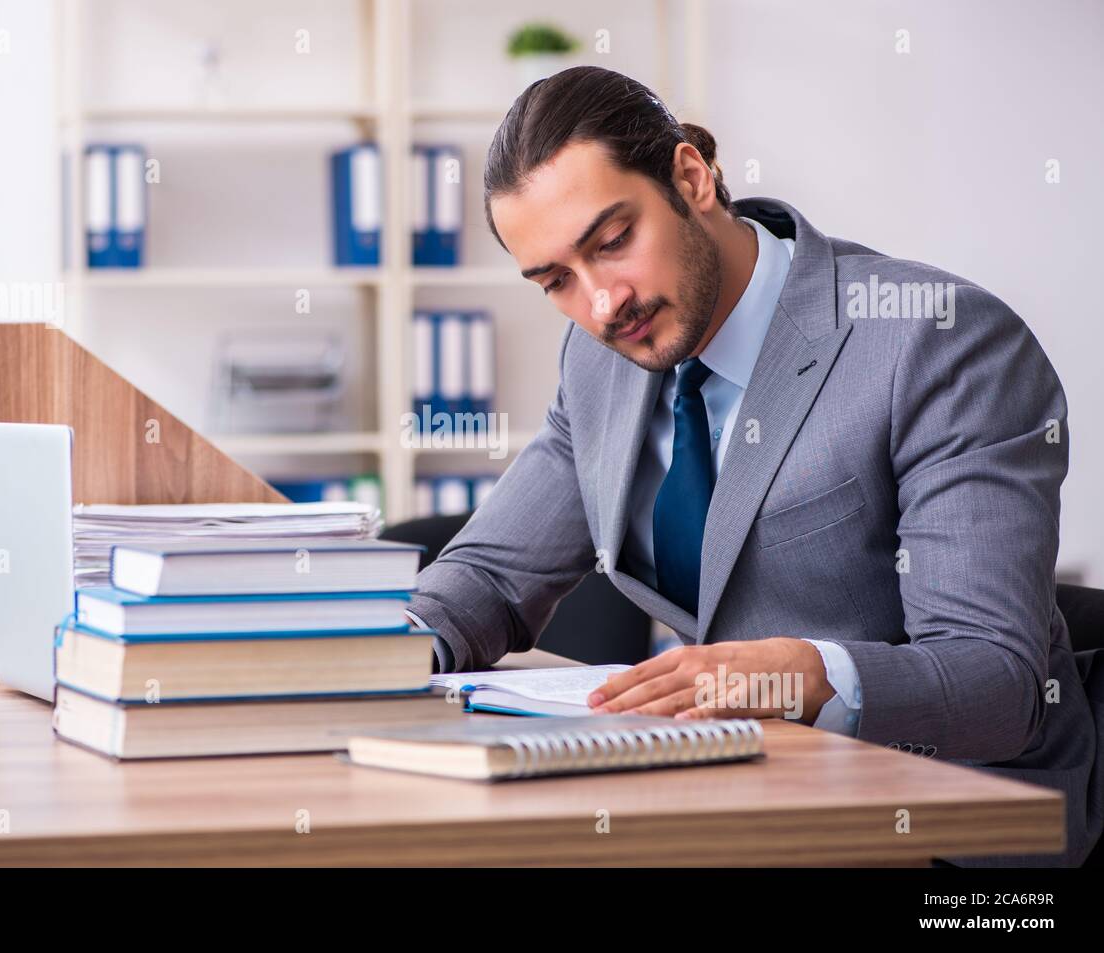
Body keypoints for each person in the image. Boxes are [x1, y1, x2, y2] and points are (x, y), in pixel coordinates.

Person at [405, 66, 1101, 867]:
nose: (602, 303)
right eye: (557, 280)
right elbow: (492, 573)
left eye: (613, 242)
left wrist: (796, 674)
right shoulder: (603, 361)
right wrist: (369, 648)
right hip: (744, 801)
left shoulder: (936, 344)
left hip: (950, 831)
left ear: (691, 177)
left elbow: (996, 681)